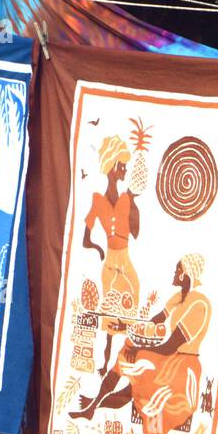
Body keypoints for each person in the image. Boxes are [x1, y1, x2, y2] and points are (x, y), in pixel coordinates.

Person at [69, 252, 211, 434]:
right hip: (170, 357)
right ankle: (94, 405)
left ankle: (96, 403)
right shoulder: (180, 297)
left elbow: (171, 345)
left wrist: (140, 349)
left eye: (177, 270)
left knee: (138, 360)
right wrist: (125, 326)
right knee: (129, 350)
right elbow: (155, 320)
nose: (174, 274)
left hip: (183, 364)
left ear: (185, 274)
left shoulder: (199, 304)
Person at [83, 135, 141, 374]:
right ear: (112, 166)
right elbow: (85, 239)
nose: (125, 170)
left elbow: (136, 232)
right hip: (110, 262)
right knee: (109, 312)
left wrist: (135, 202)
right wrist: (97, 249)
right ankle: (105, 363)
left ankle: (129, 356)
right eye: (122, 166)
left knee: (133, 299)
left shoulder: (127, 199)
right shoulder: (97, 200)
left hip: (125, 260)